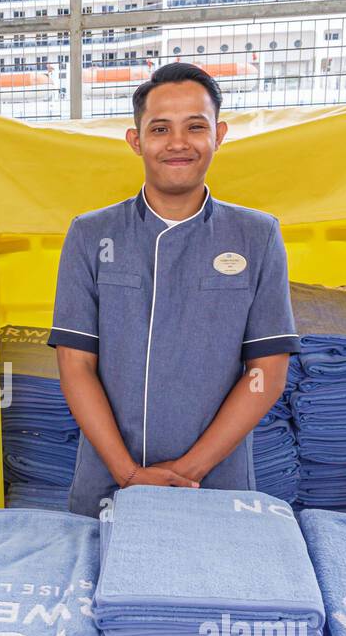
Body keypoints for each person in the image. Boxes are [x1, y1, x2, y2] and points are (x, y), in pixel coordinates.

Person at [47, 62, 299, 518]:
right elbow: (75, 365)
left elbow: (267, 374)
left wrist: (188, 471)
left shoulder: (256, 236)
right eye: (160, 128)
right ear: (136, 140)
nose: (178, 142)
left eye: (195, 127)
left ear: (219, 135)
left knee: (214, 584)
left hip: (214, 482)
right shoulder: (90, 234)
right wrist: (127, 473)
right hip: (108, 478)